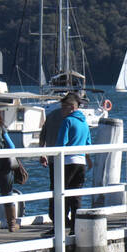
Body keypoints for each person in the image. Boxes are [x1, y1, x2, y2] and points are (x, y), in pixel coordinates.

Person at [39, 91, 81, 225]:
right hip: (70, 159)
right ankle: (68, 220)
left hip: (54, 159)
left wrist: (42, 153)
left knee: (55, 190)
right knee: (70, 191)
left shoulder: (51, 115)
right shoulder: (72, 118)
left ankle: (57, 219)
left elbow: (42, 135)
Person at [56, 94, 92, 227]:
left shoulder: (67, 121)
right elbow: (88, 143)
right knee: (76, 196)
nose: (61, 110)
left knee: (62, 194)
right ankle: (75, 226)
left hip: (68, 162)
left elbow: (61, 143)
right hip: (81, 162)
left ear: (72, 107)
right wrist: (89, 159)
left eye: (63, 107)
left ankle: (60, 225)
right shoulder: (84, 122)